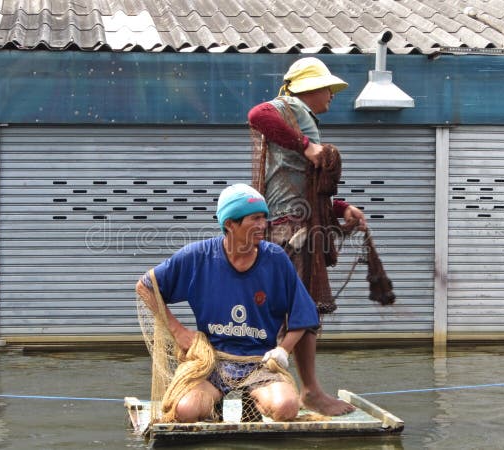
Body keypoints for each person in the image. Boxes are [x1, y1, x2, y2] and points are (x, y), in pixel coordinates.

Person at [135, 183, 320, 423]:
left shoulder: (276, 259)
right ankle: (215, 406)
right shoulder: (199, 257)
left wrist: (283, 350)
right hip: (211, 361)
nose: (263, 225)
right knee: (185, 411)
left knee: (286, 407)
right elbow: (145, 287)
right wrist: (178, 331)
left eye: (264, 218)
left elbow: (303, 313)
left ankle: (251, 399)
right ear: (230, 224)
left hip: (259, 362)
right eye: (254, 219)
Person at [247, 57, 367, 416]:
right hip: (290, 229)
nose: (332, 95)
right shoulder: (291, 107)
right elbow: (257, 114)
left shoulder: (301, 115)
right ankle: (308, 390)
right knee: (303, 305)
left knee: (298, 306)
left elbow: (305, 184)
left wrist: (340, 208)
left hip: (295, 223)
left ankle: (284, 386)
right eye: (327, 88)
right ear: (309, 88)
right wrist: (306, 146)